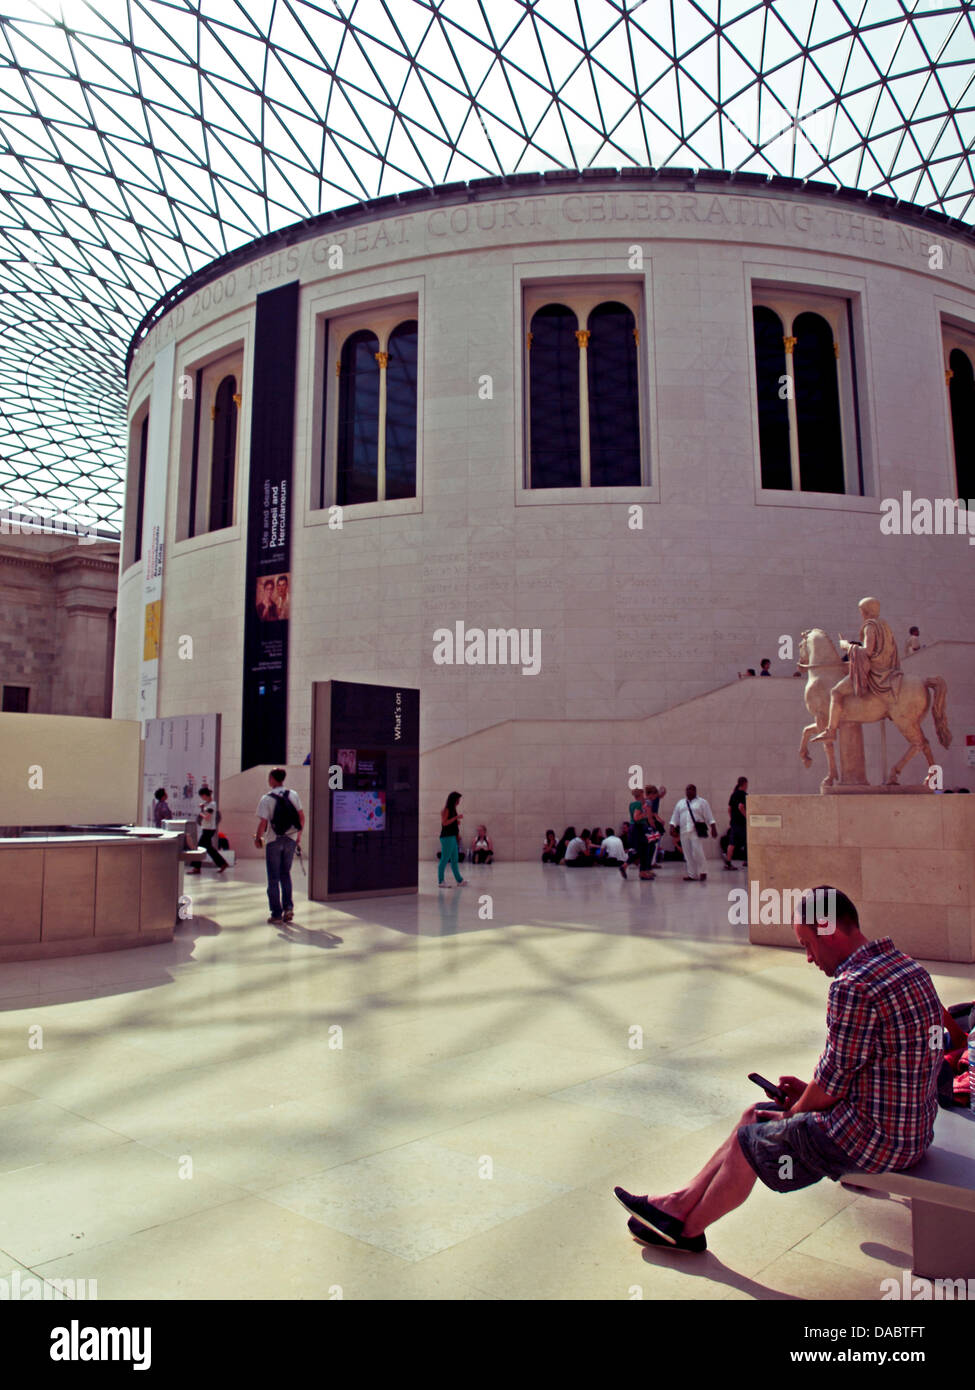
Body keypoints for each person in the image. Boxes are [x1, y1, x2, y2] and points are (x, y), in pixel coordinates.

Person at [613, 889, 944, 1252]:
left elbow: (832, 1083)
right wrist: (807, 1093)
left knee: (750, 1140)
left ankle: (688, 1232)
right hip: (913, 1131)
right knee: (753, 1114)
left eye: (807, 943)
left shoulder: (853, 986)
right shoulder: (908, 968)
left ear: (827, 927)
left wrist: (794, 1112)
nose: (808, 957)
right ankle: (676, 1203)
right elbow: (883, 1065)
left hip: (876, 1142)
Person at [812, 596, 902, 745]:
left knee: (836, 692)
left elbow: (867, 651)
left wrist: (846, 646)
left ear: (866, 611)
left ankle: (831, 731)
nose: (861, 614)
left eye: (861, 611)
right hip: (888, 668)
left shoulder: (870, 626)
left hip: (875, 672)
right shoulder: (884, 625)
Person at [255, 768, 304, 923]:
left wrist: (258, 838)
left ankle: (276, 914)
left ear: (272, 779)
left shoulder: (266, 798)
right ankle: (288, 908)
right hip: (291, 839)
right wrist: (298, 836)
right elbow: (301, 817)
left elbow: (263, 823)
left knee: (273, 878)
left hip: (273, 840)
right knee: (286, 874)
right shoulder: (293, 794)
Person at [669, 783, 717, 881]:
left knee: (697, 851)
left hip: (695, 831)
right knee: (687, 854)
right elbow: (675, 816)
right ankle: (692, 875)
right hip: (683, 831)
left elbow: (709, 816)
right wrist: (672, 826)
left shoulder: (702, 802)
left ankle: (703, 871)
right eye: (687, 789)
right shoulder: (680, 803)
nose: (689, 791)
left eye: (691, 789)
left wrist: (713, 828)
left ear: (695, 791)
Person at [191, 786, 228, 874]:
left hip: (209, 829)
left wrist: (201, 814)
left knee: (200, 847)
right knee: (209, 848)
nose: (202, 798)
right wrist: (202, 808)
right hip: (207, 829)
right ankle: (222, 863)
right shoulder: (208, 804)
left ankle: (197, 867)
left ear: (204, 795)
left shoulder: (211, 805)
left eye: (202, 796)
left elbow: (207, 817)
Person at [438, 791, 467, 887]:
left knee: (455, 859)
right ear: (453, 800)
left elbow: (451, 823)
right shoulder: (446, 809)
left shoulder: (453, 810)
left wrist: (456, 822)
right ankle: (441, 881)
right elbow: (444, 823)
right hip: (446, 837)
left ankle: (459, 880)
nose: (459, 802)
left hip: (452, 837)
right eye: (458, 800)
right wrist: (455, 818)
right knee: (444, 859)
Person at [724, 776, 748, 871]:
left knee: (732, 843)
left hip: (734, 823)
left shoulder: (733, 794)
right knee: (747, 841)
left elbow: (729, 809)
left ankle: (728, 862)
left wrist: (732, 819)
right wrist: (747, 817)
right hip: (742, 823)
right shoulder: (744, 795)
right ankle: (747, 860)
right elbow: (741, 807)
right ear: (745, 784)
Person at [628, 805, 656, 880]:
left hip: (645, 837)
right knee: (644, 852)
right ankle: (643, 872)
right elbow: (637, 818)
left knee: (648, 851)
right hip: (642, 836)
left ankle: (645, 870)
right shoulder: (641, 807)